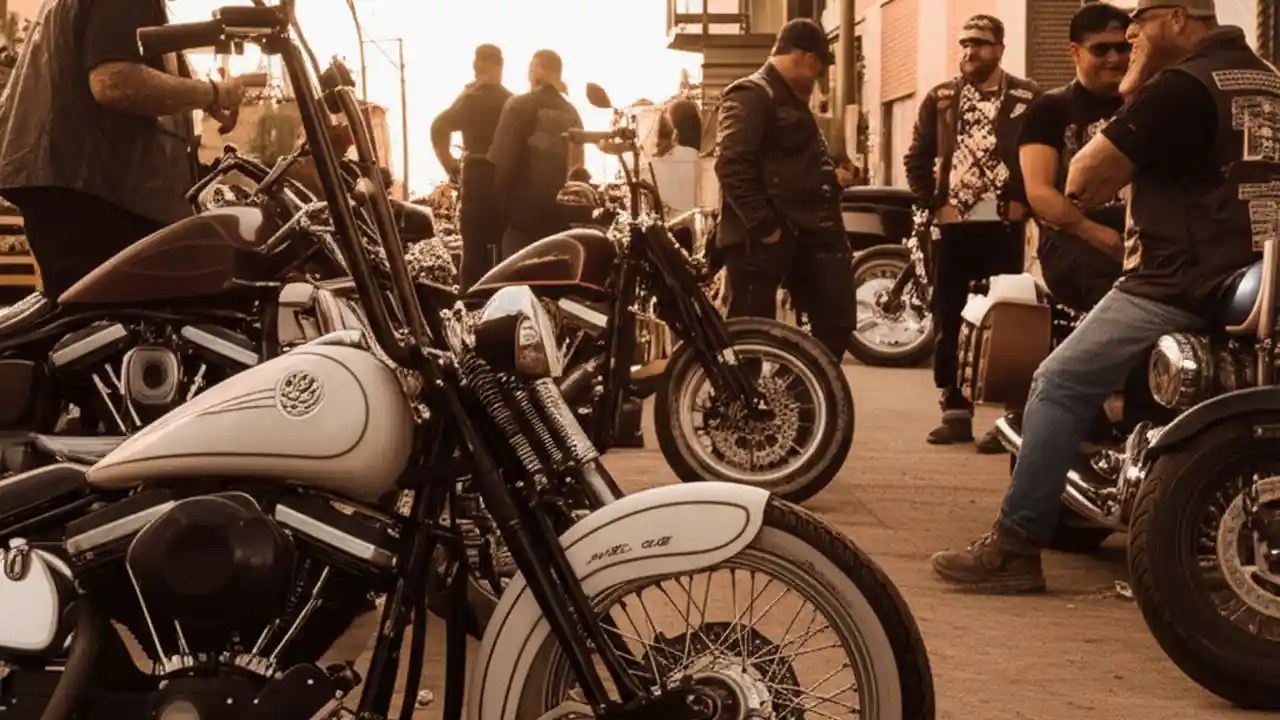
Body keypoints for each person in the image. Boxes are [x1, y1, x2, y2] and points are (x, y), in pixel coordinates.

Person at [931, 0, 1272, 593]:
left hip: (1183, 278)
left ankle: (1015, 546)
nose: (1130, 37)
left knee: (1058, 381)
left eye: (1139, 25)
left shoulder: (1177, 87)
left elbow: (1083, 179)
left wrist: (1137, 88)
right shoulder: (1268, 80)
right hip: (1259, 274)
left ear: (1178, 19)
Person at [0, 0, 256, 298]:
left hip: (75, 180)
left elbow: (127, 56)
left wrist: (199, 94)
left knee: (95, 314)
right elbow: (115, 81)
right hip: (95, 188)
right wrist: (213, 93)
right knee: (122, 316)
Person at [903, 14, 1040, 448]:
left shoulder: (1026, 96)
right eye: (964, 43)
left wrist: (1027, 202)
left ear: (999, 49)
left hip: (1006, 227)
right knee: (951, 316)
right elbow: (917, 157)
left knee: (1009, 320)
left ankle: (1010, 419)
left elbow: (1045, 154)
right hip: (955, 228)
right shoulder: (941, 98)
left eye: (979, 43)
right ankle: (955, 410)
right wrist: (933, 203)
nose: (969, 51)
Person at [713, 17, 855, 362]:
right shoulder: (752, 94)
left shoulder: (785, 99)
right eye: (819, 68)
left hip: (797, 235)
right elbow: (731, 165)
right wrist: (767, 228)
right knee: (748, 340)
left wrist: (830, 174)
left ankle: (797, 392)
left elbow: (787, 165)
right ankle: (744, 398)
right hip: (760, 242)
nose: (818, 78)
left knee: (833, 323)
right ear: (809, 59)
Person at [1021, 3, 1130, 315]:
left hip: (1141, 237)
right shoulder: (1050, 109)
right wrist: (1095, 233)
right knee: (1114, 305)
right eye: (1101, 49)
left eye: (1123, 48)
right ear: (1075, 52)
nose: (1114, 58)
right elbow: (1039, 192)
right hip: (1072, 238)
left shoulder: (1148, 103)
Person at [486, 49, 584, 260]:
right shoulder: (572, 113)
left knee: (518, 277)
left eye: (531, 67)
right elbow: (578, 171)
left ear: (539, 70)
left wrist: (495, 209)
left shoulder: (517, 105)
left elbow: (501, 164)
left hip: (522, 222)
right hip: (560, 222)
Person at [430, 44, 513, 290]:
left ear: (478, 65)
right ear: (501, 66)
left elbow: (438, 127)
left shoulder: (469, 99)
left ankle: (469, 304)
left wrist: (449, 164)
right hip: (504, 183)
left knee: (473, 252)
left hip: (476, 179)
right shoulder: (512, 102)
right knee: (504, 255)